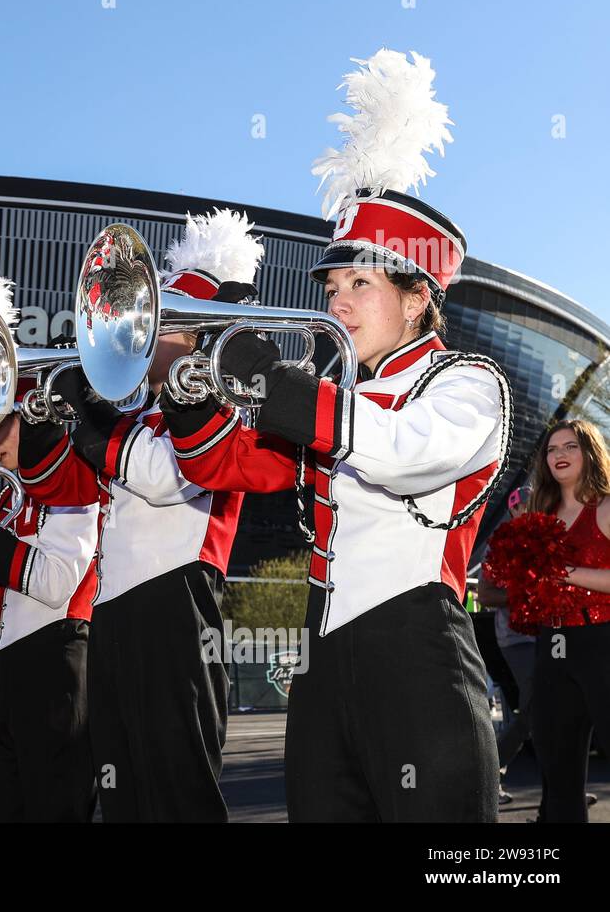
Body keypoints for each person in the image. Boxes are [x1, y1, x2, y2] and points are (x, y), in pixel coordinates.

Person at [165, 49, 509, 821]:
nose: (341, 302)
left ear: (419, 300)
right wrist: (190, 396)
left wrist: (279, 386)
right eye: (333, 286)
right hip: (321, 663)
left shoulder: (465, 382)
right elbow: (228, 465)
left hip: (419, 653)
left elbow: (403, 451)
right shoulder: (332, 398)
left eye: (362, 284)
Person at [19, 212, 257, 822]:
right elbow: (75, 489)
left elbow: (167, 476)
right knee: (125, 793)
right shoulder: (143, 410)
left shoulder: (220, 398)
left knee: (178, 790)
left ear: (200, 335)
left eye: (166, 323)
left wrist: (95, 419)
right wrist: (60, 419)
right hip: (116, 608)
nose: (146, 334)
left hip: (177, 602)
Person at [0, 377, 99, 822]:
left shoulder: (73, 477)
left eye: (2, 426)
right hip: (12, 667)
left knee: (55, 809)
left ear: (33, 420)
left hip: (58, 658)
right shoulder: (12, 497)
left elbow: (56, 584)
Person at [525, 420, 610, 822]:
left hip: (601, 640)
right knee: (558, 773)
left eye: (570, 447)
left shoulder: (606, 506)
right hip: (551, 644)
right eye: (551, 449)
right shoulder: (539, 512)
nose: (558, 455)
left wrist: (563, 571)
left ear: (589, 452)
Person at [476, 488, 537, 806]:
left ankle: (564, 787)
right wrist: (527, 597)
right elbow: (485, 595)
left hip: (555, 636)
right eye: (521, 507)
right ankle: (487, 776)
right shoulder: (499, 546)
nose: (527, 510)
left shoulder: (550, 536)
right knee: (537, 707)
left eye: (533, 505)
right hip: (517, 639)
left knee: (557, 708)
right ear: (512, 512)